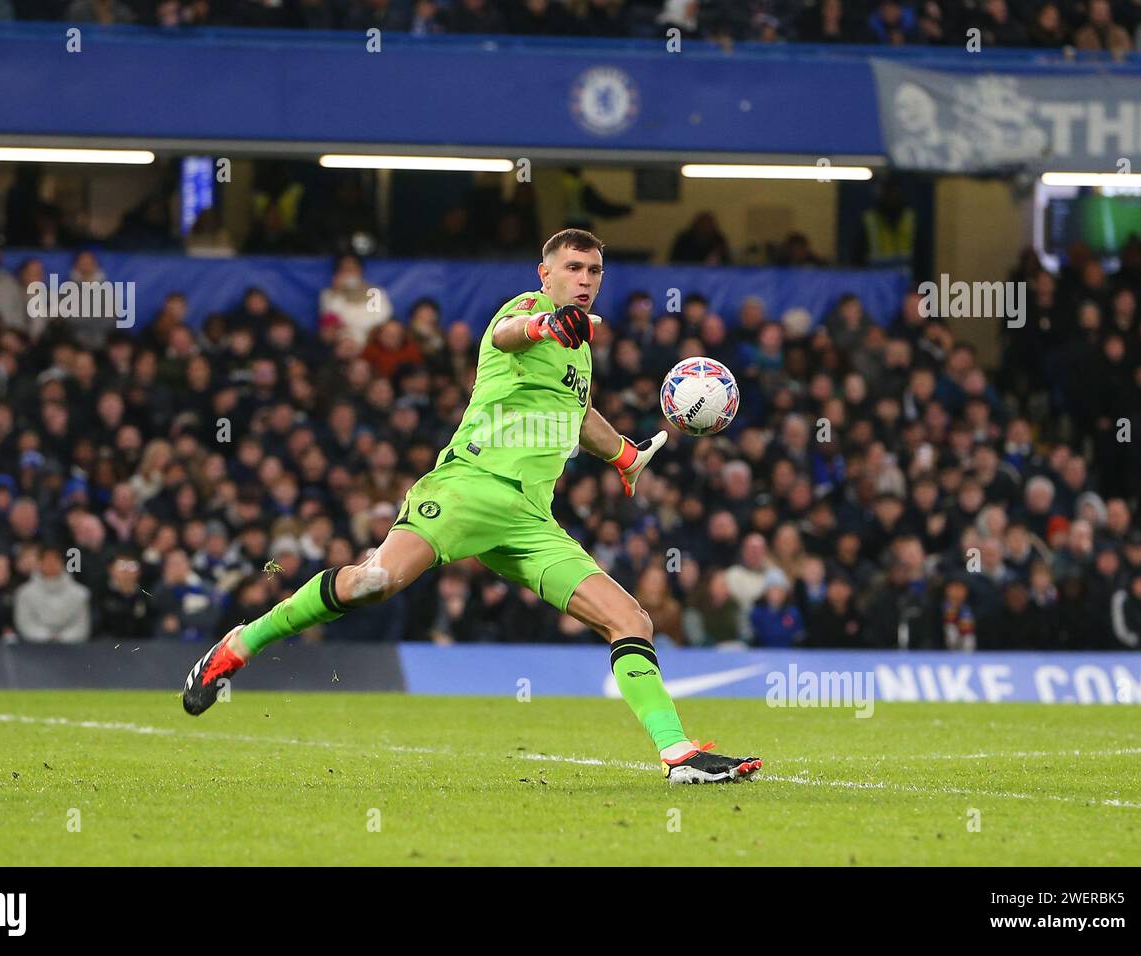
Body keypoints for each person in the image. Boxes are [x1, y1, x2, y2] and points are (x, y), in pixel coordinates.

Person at [182, 229, 762, 784]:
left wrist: (624, 455)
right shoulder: (525, 313)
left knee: (632, 620)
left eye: (595, 272)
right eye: (573, 269)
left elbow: (577, 413)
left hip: (530, 519)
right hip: (466, 488)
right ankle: (239, 644)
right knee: (375, 581)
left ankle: (677, 753)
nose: (585, 281)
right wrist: (543, 324)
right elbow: (513, 333)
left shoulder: (580, 350)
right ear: (546, 274)